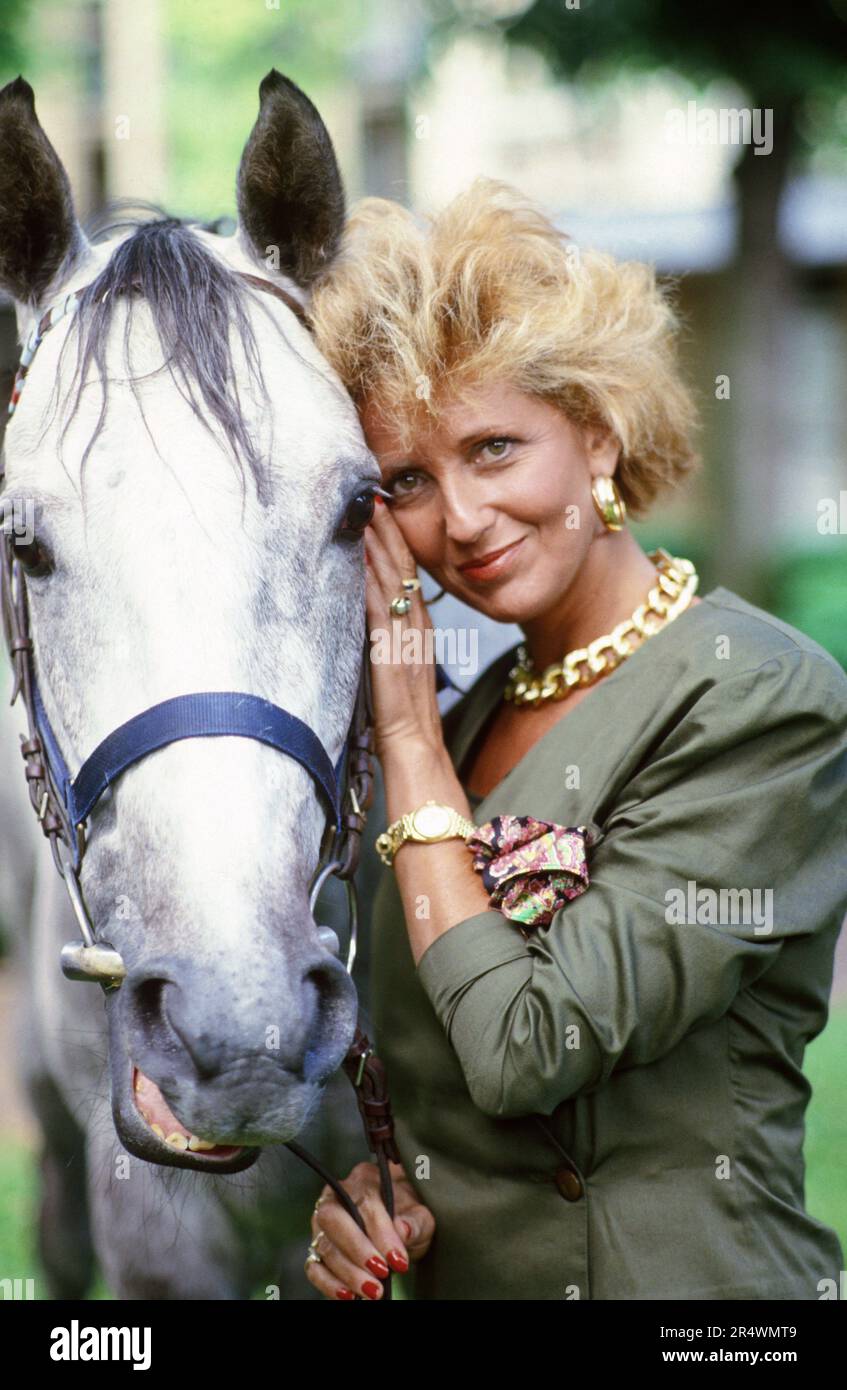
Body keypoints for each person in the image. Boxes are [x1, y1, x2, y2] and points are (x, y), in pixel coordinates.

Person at [300, 178, 847, 1301]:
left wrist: (402, 728)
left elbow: (524, 1045)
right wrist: (374, 1193)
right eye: (407, 478)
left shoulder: (758, 701)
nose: (457, 519)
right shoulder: (472, 715)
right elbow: (437, 1075)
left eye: (494, 448)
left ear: (597, 436)